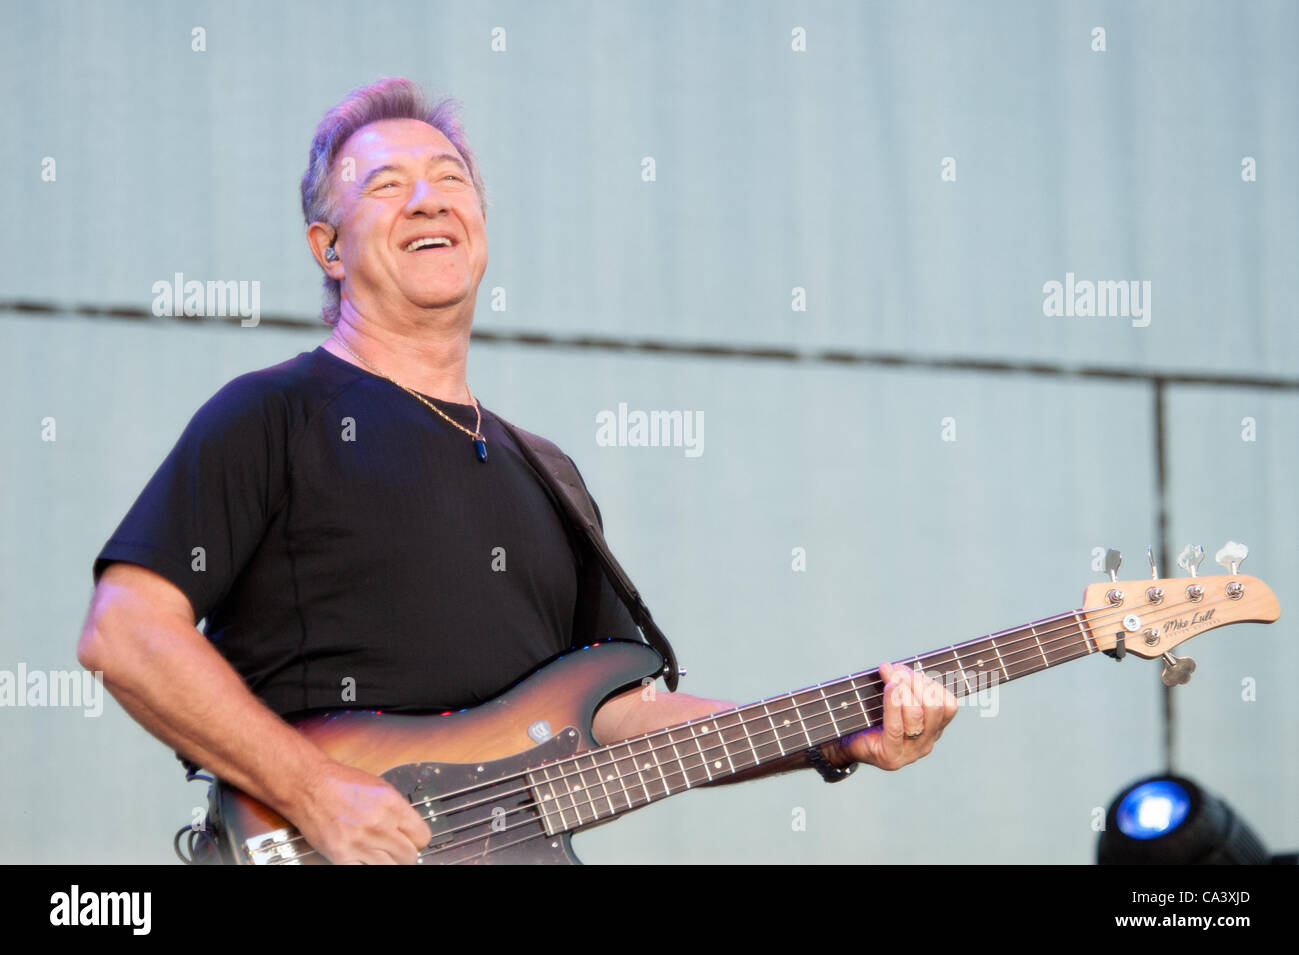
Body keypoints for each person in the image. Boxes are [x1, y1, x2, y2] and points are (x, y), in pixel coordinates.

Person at [76, 77, 958, 865]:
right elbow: (126, 632)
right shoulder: (272, 413)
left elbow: (620, 718)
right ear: (328, 246)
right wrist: (314, 791)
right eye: (386, 186)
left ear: (482, 225)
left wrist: (834, 735)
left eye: (450, 179)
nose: (428, 200)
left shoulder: (547, 474)